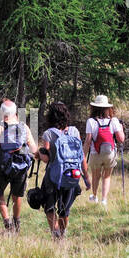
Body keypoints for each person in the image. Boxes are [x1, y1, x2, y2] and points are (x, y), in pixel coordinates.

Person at [38, 102, 84, 239]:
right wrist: (85, 178)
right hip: (72, 174)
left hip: (53, 175)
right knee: (64, 209)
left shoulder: (48, 134)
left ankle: (55, 233)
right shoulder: (75, 131)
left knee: (49, 205)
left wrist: (39, 154)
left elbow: (46, 158)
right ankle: (63, 234)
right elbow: (80, 155)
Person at [0, 99, 36, 233]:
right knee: (17, 195)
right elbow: (33, 149)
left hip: (3, 166)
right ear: (15, 112)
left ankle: (7, 223)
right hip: (21, 167)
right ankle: (17, 222)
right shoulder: (24, 127)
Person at [84, 95, 124, 206]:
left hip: (95, 152)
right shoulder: (114, 121)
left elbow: (88, 140)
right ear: (108, 108)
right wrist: (121, 128)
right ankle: (104, 200)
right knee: (107, 176)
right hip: (110, 152)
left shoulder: (91, 121)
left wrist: (83, 155)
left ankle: (95, 196)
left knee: (96, 175)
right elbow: (121, 139)